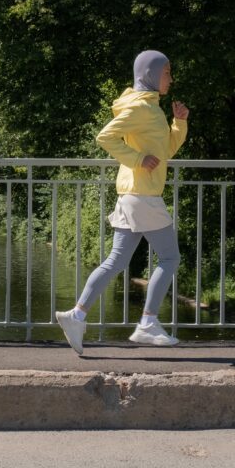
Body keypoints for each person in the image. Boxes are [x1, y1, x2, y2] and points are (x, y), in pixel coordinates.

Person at [55, 50, 189, 354]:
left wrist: (179, 124)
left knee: (115, 262)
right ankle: (148, 323)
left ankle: (76, 316)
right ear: (151, 75)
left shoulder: (152, 109)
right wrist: (138, 159)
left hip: (134, 196)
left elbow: (165, 151)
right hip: (143, 196)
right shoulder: (141, 107)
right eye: (167, 72)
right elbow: (105, 137)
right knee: (170, 258)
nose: (171, 78)